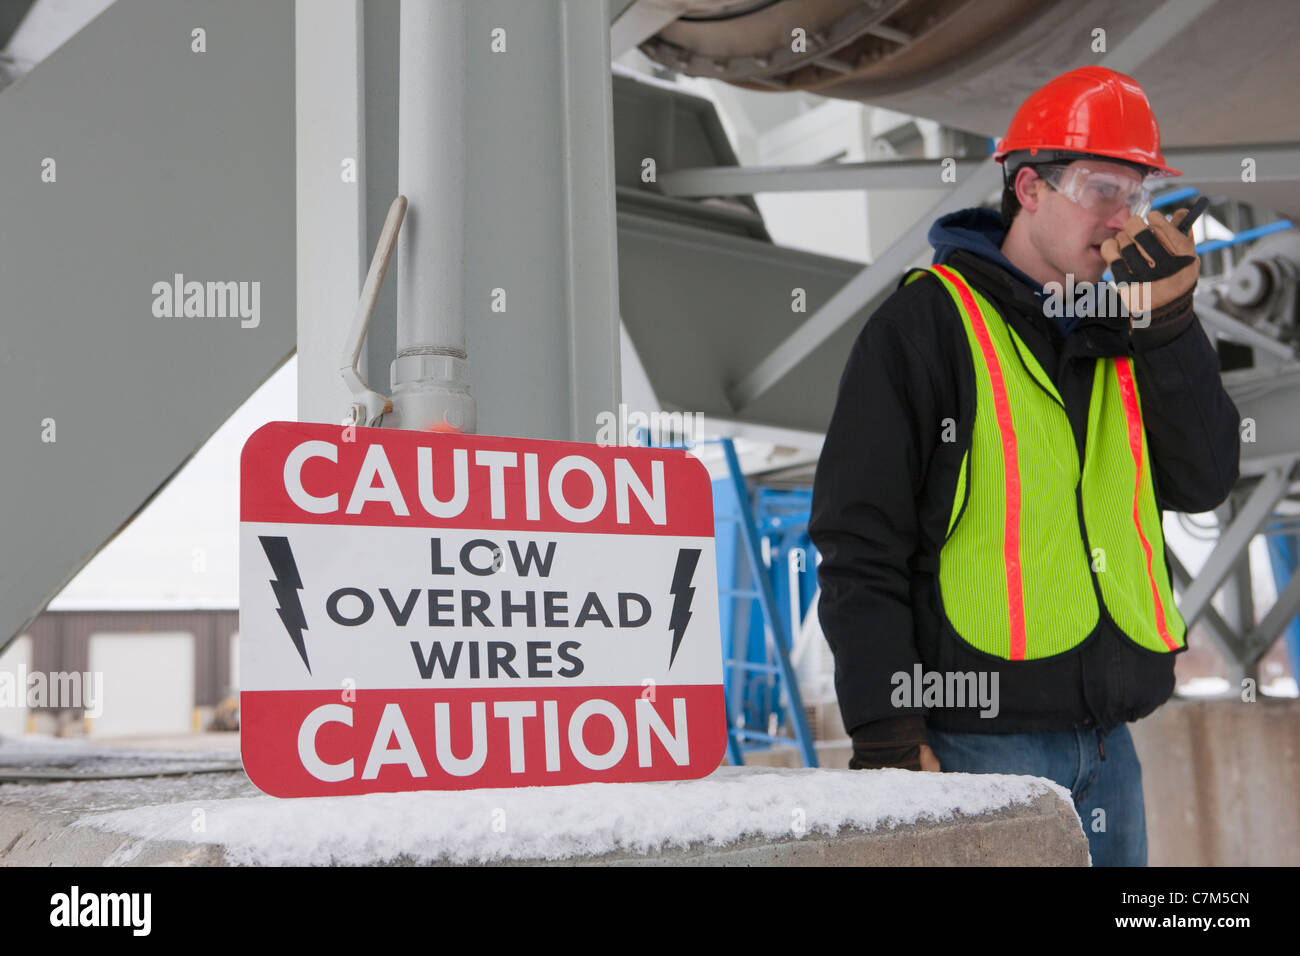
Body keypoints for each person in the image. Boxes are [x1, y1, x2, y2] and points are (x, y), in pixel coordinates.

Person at [808, 66, 1241, 866]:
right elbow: (858, 542)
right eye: (1101, 187)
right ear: (1030, 187)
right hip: (975, 746)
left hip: (1109, 746)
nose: (1123, 220)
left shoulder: (1128, 331)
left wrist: (1171, 325)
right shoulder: (926, 324)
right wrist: (888, 735)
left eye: (1137, 195)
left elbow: (1204, 481)